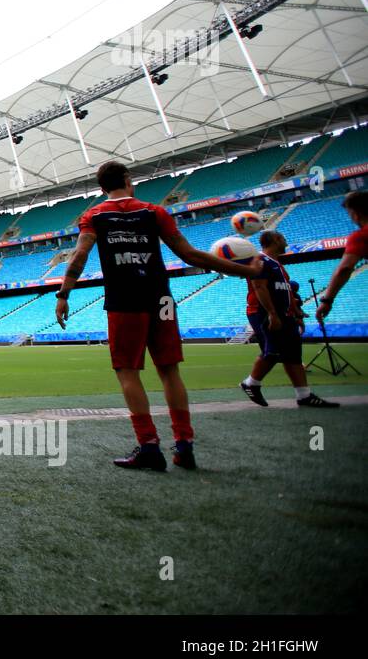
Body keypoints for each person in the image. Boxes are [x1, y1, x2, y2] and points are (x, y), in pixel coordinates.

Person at [56, 160, 261, 471]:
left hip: (125, 299)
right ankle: (184, 443)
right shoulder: (154, 211)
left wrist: (64, 293)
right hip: (161, 297)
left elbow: (80, 254)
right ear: (127, 179)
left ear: (101, 189)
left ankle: (149, 445)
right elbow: (189, 254)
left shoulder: (94, 215)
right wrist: (242, 270)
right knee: (169, 370)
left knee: (127, 371)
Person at [239, 231, 339, 408]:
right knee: (273, 351)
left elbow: (287, 293)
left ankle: (304, 395)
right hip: (263, 313)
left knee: (293, 354)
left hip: (284, 314)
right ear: (276, 240)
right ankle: (250, 383)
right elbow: (259, 287)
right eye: (284, 239)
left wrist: (296, 313)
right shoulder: (260, 260)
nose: (286, 242)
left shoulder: (278, 265)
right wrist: (272, 313)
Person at [314, 190, 368, 325]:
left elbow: (345, 268)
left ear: (356, 214)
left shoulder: (361, 236)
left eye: (350, 213)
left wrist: (327, 301)